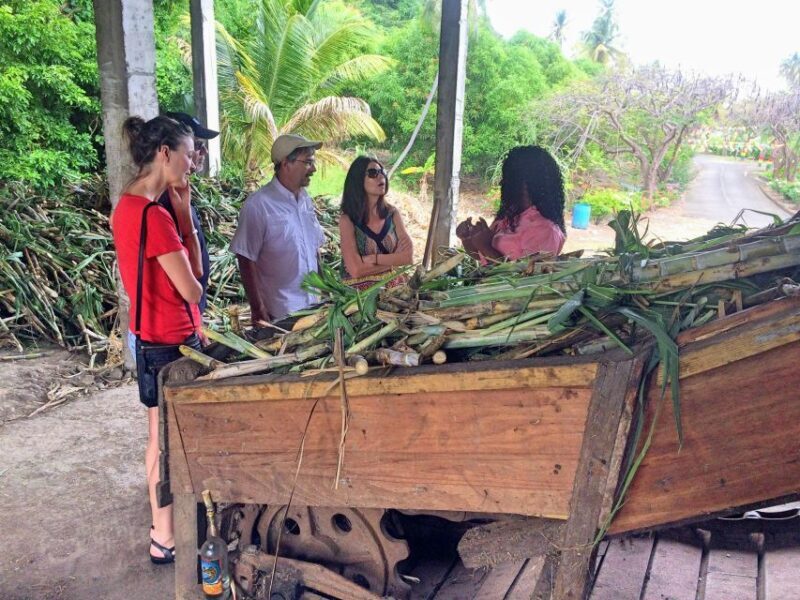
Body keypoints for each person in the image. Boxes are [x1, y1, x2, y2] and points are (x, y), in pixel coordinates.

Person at [111, 115, 203, 565]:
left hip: (147, 338)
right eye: (187, 154)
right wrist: (182, 220)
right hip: (173, 341)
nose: (191, 164)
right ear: (164, 153)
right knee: (171, 441)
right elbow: (194, 286)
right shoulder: (154, 216)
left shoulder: (125, 207)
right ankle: (167, 534)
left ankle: (162, 532)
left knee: (157, 437)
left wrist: (181, 211)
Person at [230, 134, 326, 323]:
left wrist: (326, 290)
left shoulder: (305, 200)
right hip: (281, 313)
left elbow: (314, 250)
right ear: (285, 163)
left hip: (314, 307)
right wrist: (258, 309)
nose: (313, 169)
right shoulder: (259, 205)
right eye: (308, 162)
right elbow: (246, 258)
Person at [457, 145, 566, 261]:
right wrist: (468, 239)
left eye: (510, 177)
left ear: (528, 183)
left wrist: (486, 246)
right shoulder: (509, 217)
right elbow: (481, 258)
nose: (502, 183)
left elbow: (525, 277)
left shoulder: (547, 230)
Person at [339, 156, 413, 289]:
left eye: (382, 172)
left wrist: (374, 259)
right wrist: (394, 260)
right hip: (359, 298)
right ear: (358, 180)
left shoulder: (392, 214)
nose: (381, 177)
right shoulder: (348, 220)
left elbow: (408, 257)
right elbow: (356, 270)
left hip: (393, 291)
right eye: (373, 173)